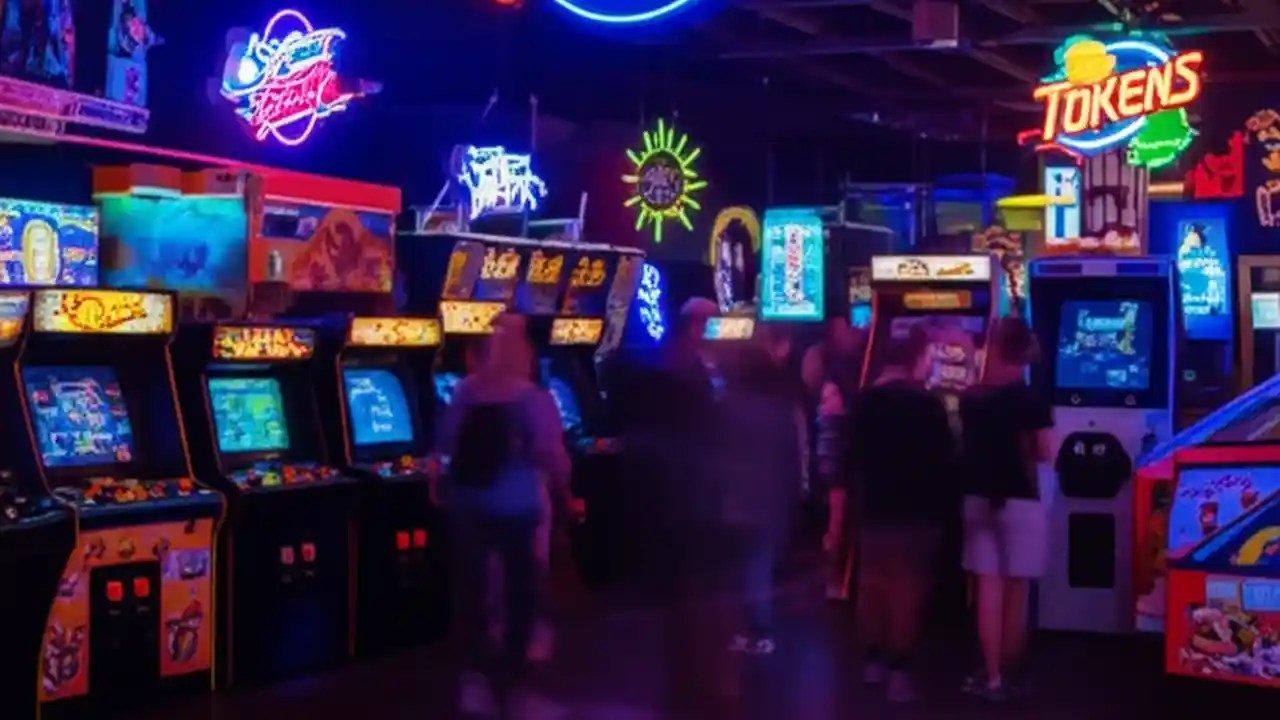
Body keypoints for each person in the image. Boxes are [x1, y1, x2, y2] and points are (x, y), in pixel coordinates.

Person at [436, 313, 571, 718]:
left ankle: (475, 684)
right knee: (519, 599)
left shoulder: (466, 389)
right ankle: (513, 691)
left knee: (472, 594)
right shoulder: (532, 397)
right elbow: (553, 457)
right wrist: (566, 491)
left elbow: (443, 445)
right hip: (516, 505)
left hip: (469, 504)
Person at [844, 325, 956, 703]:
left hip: (874, 507)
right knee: (907, 590)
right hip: (917, 511)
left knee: (872, 585)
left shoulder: (862, 402)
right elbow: (945, 460)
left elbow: (851, 458)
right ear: (916, 360)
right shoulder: (927, 405)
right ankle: (899, 668)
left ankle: (872, 661)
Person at [958, 316, 1052, 701]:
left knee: (988, 590)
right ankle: (1012, 674)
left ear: (995, 348)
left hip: (977, 498)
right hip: (1021, 500)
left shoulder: (971, 397)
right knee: (1016, 592)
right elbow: (1046, 452)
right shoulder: (1031, 399)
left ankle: (992, 676)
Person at [720, 333, 806, 656]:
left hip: (732, 496)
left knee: (741, 567)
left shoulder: (727, 404)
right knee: (759, 565)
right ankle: (760, 630)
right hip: (769, 496)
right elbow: (791, 456)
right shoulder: (779, 408)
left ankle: (746, 628)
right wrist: (796, 492)